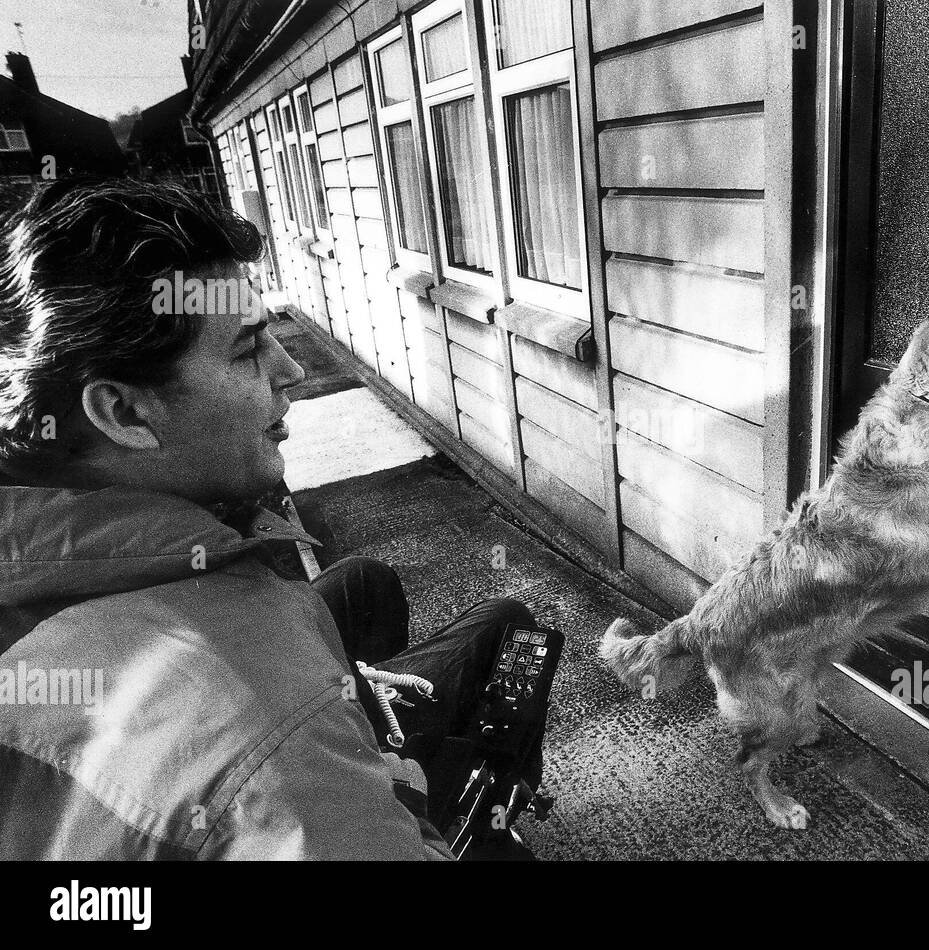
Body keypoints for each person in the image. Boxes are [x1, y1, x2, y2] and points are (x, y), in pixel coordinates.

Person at [0, 177, 541, 859]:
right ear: (127, 412)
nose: (289, 368)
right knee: (508, 625)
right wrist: (390, 796)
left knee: (365, 581)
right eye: (247, 348)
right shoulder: (265, 728)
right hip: (282, 747)